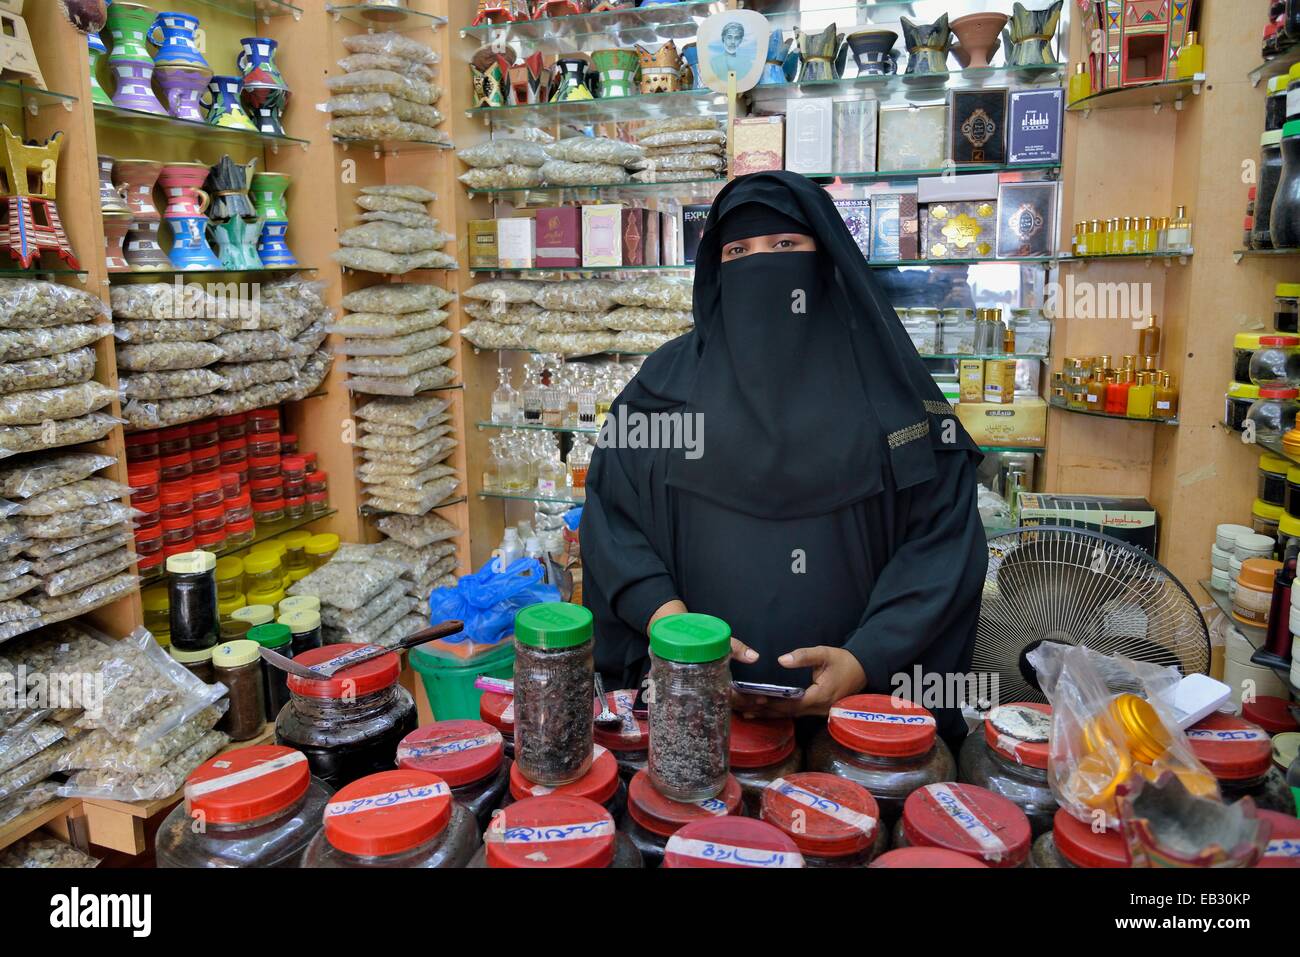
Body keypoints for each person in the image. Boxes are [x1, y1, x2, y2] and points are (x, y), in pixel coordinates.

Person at [580, 171, 987, 736]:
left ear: (827, 259)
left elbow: (943, 544)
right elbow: (610, 518)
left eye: (784, 246)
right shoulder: (664, 389)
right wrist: (671, 628)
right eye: (738, 251)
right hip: (690, 716)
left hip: (853, 730)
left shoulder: (891, 393)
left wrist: (866, 660)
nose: (762, 264)